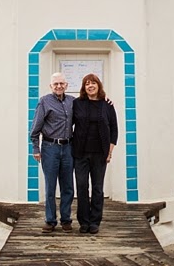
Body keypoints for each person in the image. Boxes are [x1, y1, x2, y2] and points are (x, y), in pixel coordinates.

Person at [72, 73, 118, 234]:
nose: (90, 86)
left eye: (93, 83)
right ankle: (84, 222)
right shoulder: (77, 103)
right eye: (87, 84)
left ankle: (95, 221)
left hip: (100, 154)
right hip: (80, 153)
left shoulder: (107, 105)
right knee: (82, 187)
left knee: (98, 188)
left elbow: (114, 130)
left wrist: (110, 152)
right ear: (83, 88)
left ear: (99, 86)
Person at [30, 72, 74, 233]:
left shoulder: (72, 102)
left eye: (62, 83)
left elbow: (86, 110)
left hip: (68, 148)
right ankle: (50, 220)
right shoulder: (44, 101)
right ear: (51, 86)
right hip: (50, 148)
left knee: (68, 186)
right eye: (56, 84)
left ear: (66, 85)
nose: (59, 86)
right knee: (50, 186)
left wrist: (105, 100)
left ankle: (66, 219)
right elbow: (35, 128)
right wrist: (36, 148)